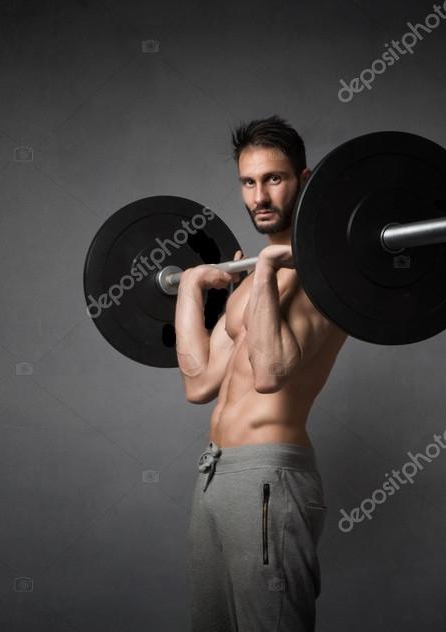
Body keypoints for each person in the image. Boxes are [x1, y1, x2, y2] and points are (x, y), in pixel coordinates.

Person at [175, 116, 348, 631]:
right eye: (248, 183)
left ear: (305, 178)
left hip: (270, 477)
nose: (259, 197)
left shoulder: (327, 272)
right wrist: (189, 288)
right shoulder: (250, 279)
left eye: (274, 179)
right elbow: (199, 384)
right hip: (215, 474)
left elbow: (270, 374)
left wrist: (270, 269)